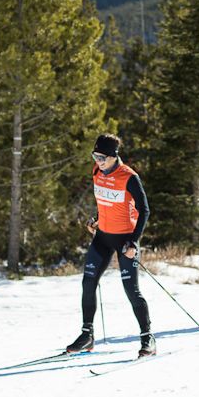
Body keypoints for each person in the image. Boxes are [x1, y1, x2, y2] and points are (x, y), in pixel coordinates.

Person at [66, 133, 154, 357]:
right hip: (103, 237)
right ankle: (87, 335)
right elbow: (105, 200)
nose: (98, 161)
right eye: (95, 156)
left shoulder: (129, 177)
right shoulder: (97, 171)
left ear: (114, 156)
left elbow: (144, 210)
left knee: (131, 290)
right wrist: (97, 219)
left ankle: (147, 338)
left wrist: (134, 241)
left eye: (102, 157)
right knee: (88, 283)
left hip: (125, 239)